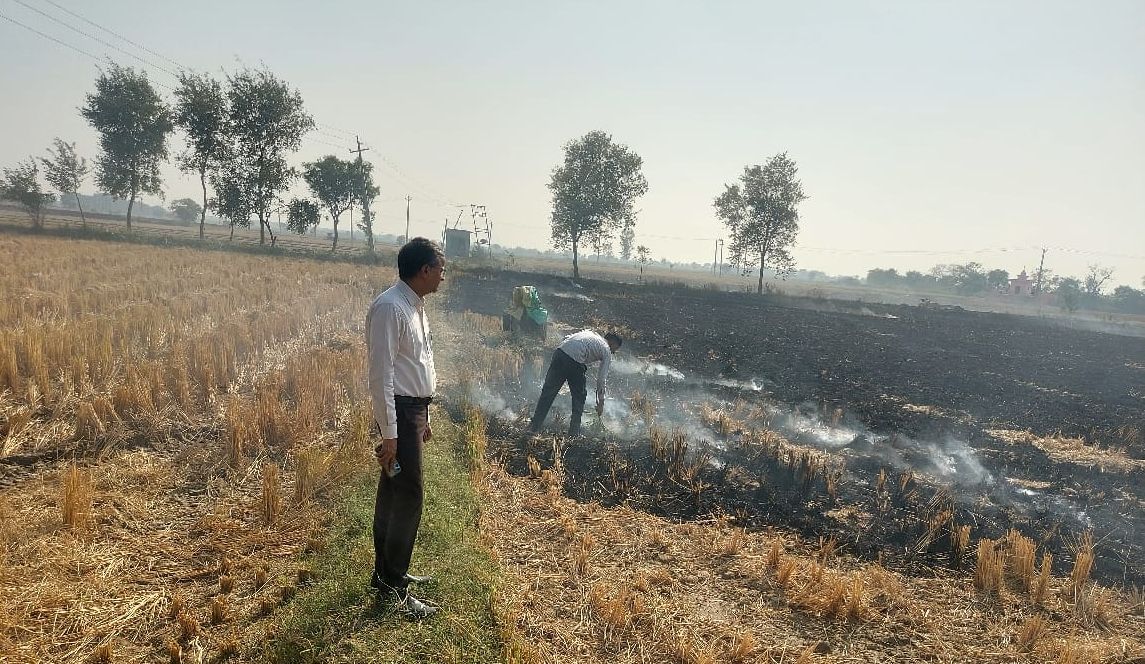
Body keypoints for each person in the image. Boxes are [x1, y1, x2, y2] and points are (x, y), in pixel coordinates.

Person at [365, 237, 446, 619]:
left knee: (395, 493)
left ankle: (386, 575)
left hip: (412, 411)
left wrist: (424, 417)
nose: (443, 278)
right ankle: (393, 586)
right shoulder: (390, 308)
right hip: (398, 411)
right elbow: (382, 375)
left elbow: (417, 364)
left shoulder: (415, 306)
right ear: (424, 270)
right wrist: (391, 433)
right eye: (440, 270)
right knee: (408, 496)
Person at [529, 329, 622, 436]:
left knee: (548, 393)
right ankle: (573, 434)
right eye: (616, 348)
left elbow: (566, 338)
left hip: (559, 353)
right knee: (579, 397)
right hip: (574, 360)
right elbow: (601, 379)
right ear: (613, 343)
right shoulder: (606, 349)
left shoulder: (589, 333)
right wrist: (601, 403)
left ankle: (533, 428)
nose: (614, 352)